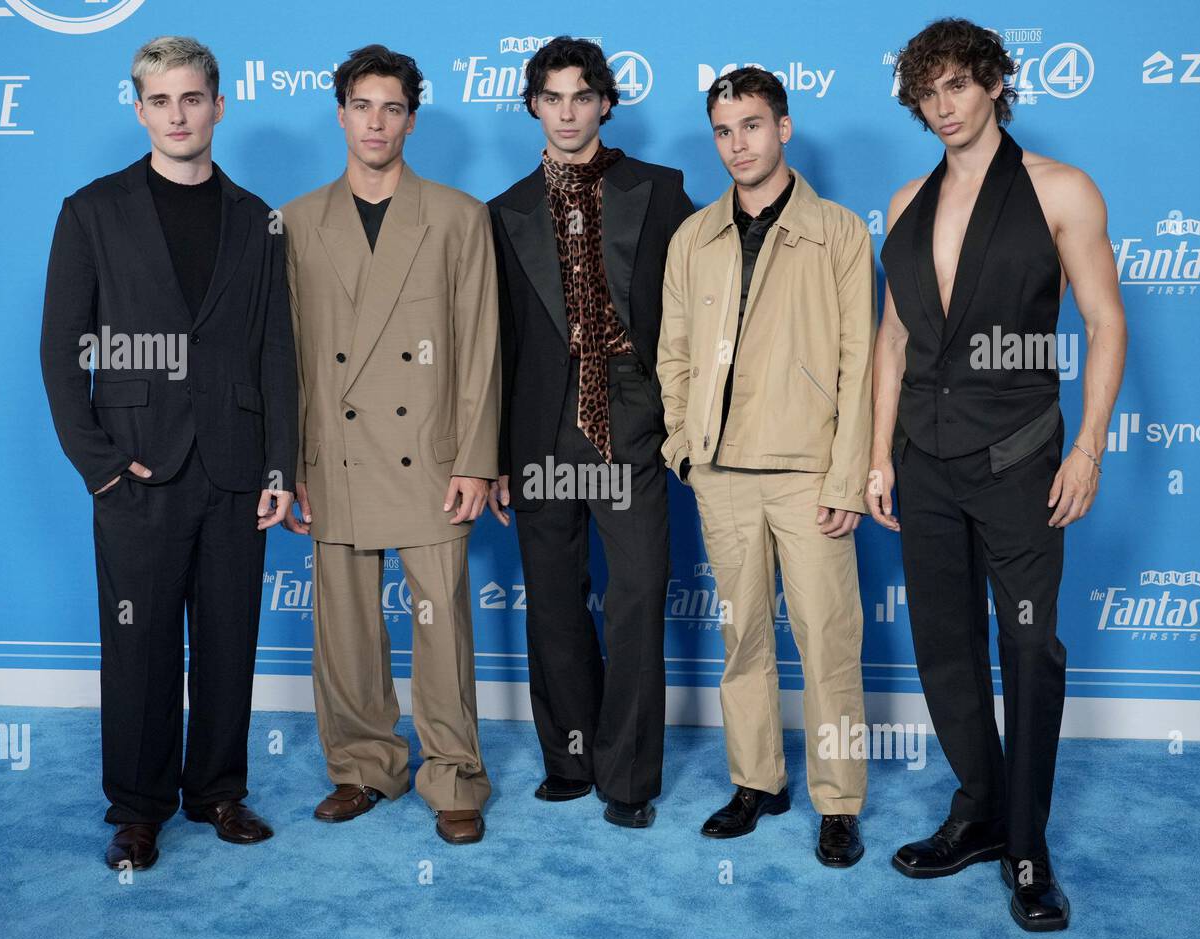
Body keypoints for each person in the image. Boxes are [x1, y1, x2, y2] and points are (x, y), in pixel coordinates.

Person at [870, 17, 1127, 931]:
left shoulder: (1061, 190)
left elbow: (1104, 323)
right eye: (927, 93)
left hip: (1019, 458)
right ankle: (977, 813)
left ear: (992, 86)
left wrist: (1090, 446)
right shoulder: (906, 200)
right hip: (923, 463)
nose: (943, 107)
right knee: (945, 648)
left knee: (1026, 649)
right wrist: (874, 457)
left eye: (958, 87)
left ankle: (1027, 845)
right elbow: (893, 338)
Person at [39, 35, 297, 870]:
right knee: (140, 645)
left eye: (193, 99)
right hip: (137, 471)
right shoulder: (92, 211)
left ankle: (219, 791)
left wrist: (278, 468)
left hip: (234, 467)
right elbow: (60, 349)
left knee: (230, 639)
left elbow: (276, 352)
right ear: (140, 108)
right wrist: (102, 466)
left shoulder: (260, 218)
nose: (178, 115)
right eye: (161, 101)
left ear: (219, 106)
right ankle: (139, 809)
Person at [281, 45, 499, 845]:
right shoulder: (298, 221)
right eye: (362, 107)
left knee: (442, 628)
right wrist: (294, 464)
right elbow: (291, 356)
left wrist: (477, 457)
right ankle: (363, 767)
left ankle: (454, 776)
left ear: (413, 117)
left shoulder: (457, 215)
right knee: (344, 632)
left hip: (432, 457)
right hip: (333, 457)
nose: (376, 122)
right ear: (340, 114)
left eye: (393, 108)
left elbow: (479, 345)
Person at [657, 67, 875, 864]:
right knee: (741, 638)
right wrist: (686, 447)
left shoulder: (841, 232)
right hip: (721, 472)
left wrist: (848, 477)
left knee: (827, 642)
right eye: (723, 130)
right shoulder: (694, 237)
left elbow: (862, 366)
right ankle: (756, 782)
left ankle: (838, 799)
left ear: (784, 128)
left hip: (810, 473)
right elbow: (671, 354)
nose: (737, 143)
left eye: (751, 125)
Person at [486, 36, 693, 828]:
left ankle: (629, 777)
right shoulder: (503, 213)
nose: (567, 112)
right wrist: (495, 457)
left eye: (583, 96)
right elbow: (495, 345)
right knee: (554, 600)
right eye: (552, 97)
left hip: (634, 427)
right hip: (539, 433)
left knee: (637, 596)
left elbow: (689, 313)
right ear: (533, 106)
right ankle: (570, 757)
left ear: (606, 102)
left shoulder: (663, 192)